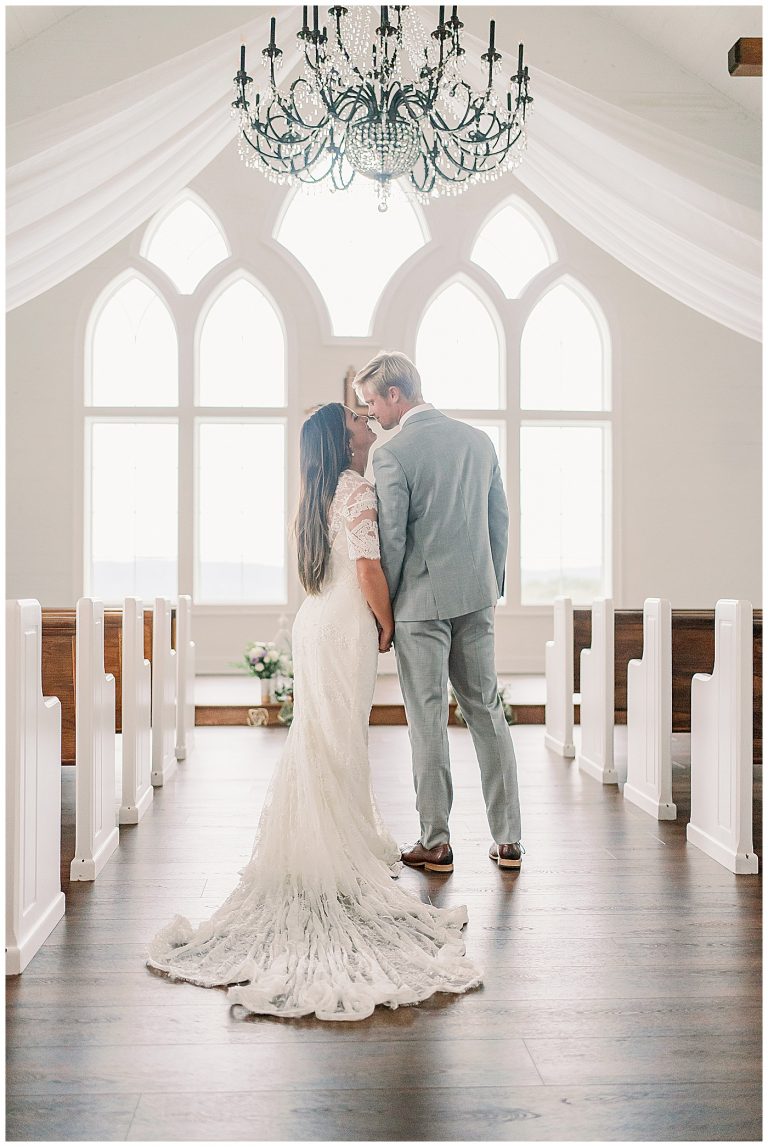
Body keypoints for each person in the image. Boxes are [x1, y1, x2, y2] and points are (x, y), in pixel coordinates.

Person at [146, 403, 481, 1021]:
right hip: (347, 624)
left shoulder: (314, 493)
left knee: (323, 735)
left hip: (317, 622)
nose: (365, 424)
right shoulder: (353, 489)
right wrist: (386, 622)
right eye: (356, 420)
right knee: (339, 735)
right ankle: (334, 848)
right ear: (341, 437)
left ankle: (328, 836)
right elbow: (368, 566)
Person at [355, 352, 524, 874]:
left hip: (419, 607)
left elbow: (395, 541)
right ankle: (510, 840)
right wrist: (489, 585)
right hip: (476, 596)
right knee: (487, 712)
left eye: (372, 404)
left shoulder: (393, 453)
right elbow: (500, 520)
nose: (372, 416)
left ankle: (436, 842)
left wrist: (391, 613)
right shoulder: (479, 441)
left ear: (396, 396)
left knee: (426, 720)